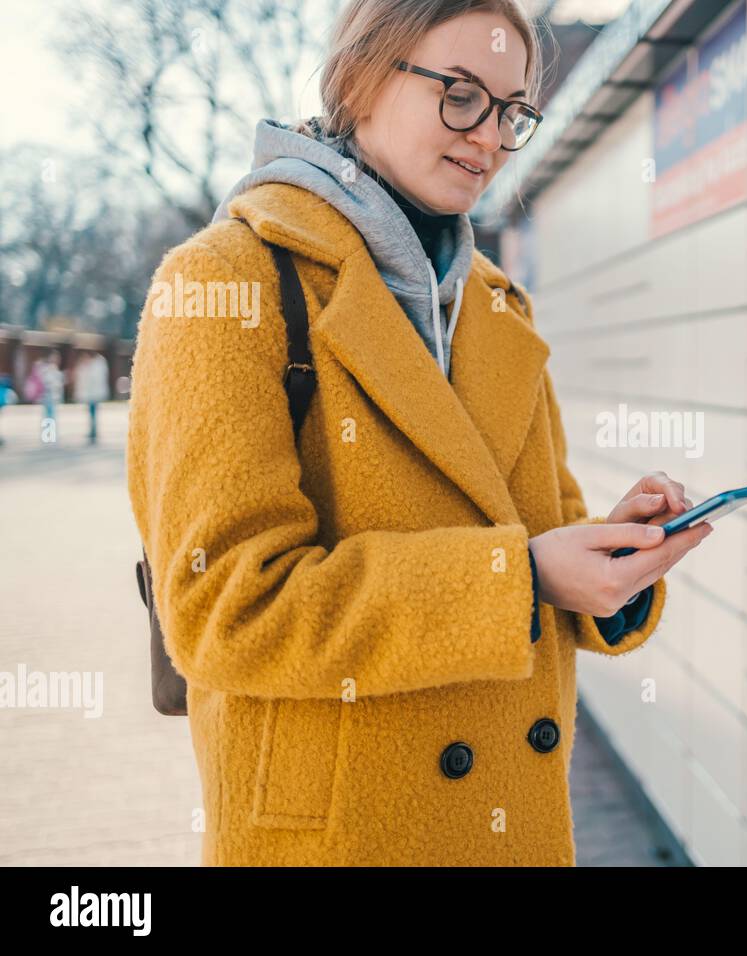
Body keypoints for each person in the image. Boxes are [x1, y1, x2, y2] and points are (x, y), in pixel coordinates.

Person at [126, 0, 710, 867]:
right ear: (361, 78)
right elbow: (226, 609)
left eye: (512, 111)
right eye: (461, 95)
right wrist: (520, 579)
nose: (489, 138)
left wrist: (614, 556)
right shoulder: (226, 283)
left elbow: (538, 543)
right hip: (340, 838)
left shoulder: (496, 303)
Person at [74, 352, 110, 444]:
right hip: (90, 395)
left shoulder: (97, 366)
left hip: (94, 394)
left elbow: (94, 380)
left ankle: (93, 432)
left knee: (93, 414)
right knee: (91, 414)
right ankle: (92, 431)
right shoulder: (90, 366)